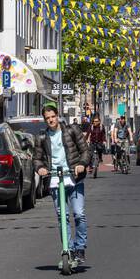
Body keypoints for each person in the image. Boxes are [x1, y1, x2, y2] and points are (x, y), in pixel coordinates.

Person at [33, 104, 91, 266]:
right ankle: (69, 249)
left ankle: (79, 248)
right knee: (62, 216)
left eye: (53, 116)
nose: (51, 120)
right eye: (47, 118)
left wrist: (81, 164)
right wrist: (41, 168)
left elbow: (86, 151)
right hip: (54, 179)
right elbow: (36, 159)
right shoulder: (42, 137)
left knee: (79, 213)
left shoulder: (72, 131)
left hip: (74, 177)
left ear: (57, 116)